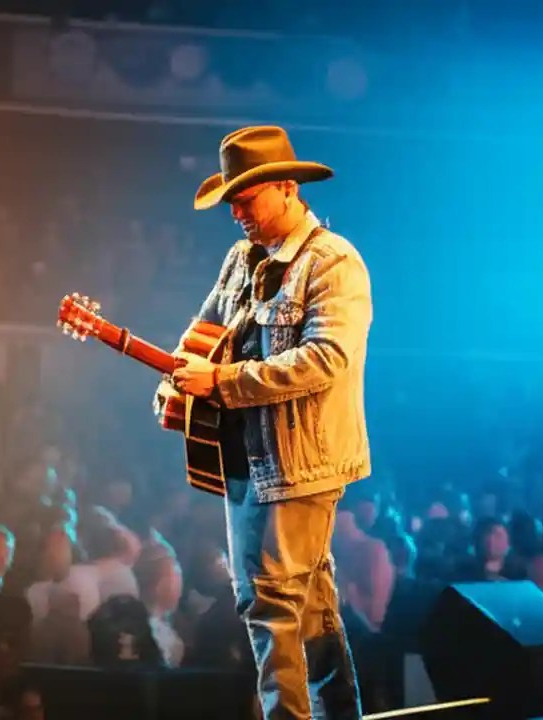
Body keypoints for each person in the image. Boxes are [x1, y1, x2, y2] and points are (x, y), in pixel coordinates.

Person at [165, 125, 371, 719]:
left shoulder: (335, 263)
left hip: (302, 464)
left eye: (244, 198)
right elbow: (202, 335)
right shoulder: (240, 258)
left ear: (286, 188)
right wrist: (175, 383)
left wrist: (222, 383)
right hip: (245, 459)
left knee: (272, 604)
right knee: (304, 604)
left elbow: (326, 359)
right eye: (230, 199)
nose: (235, 212)